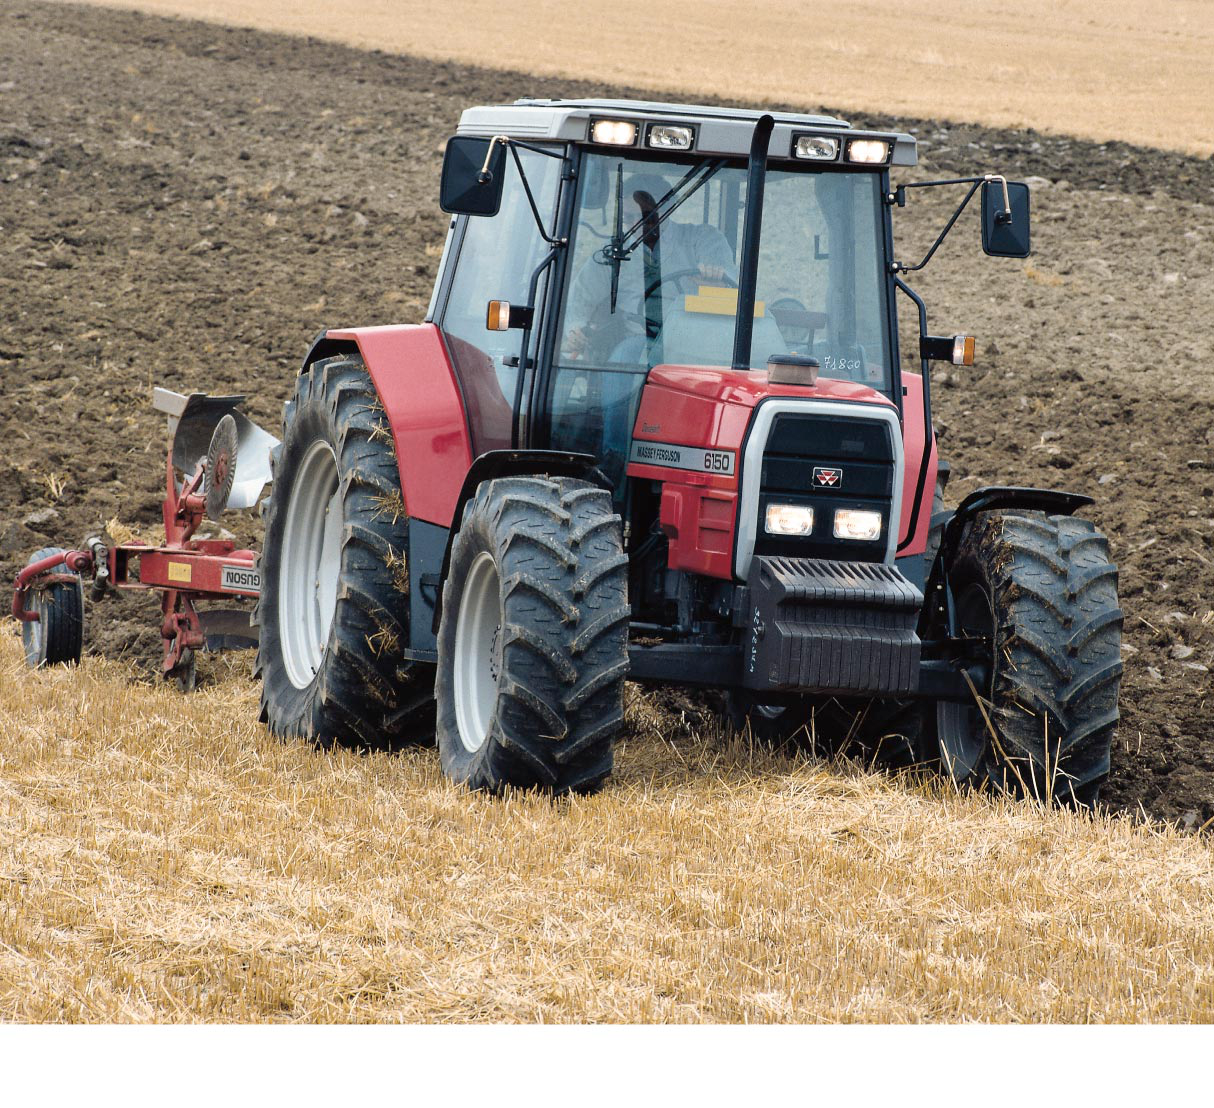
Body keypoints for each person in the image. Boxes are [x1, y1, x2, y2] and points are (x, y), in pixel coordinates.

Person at [562, 172, 737, 364]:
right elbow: (579, 302)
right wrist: (576, 330)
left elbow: (728, 279)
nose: (638, 225)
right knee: (627, 357)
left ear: (668, 210)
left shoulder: (702, 239)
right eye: (629, 218)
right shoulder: (611, 257)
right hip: (638, 341)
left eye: (647, 217)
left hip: (698, 341)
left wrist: (716, 280)